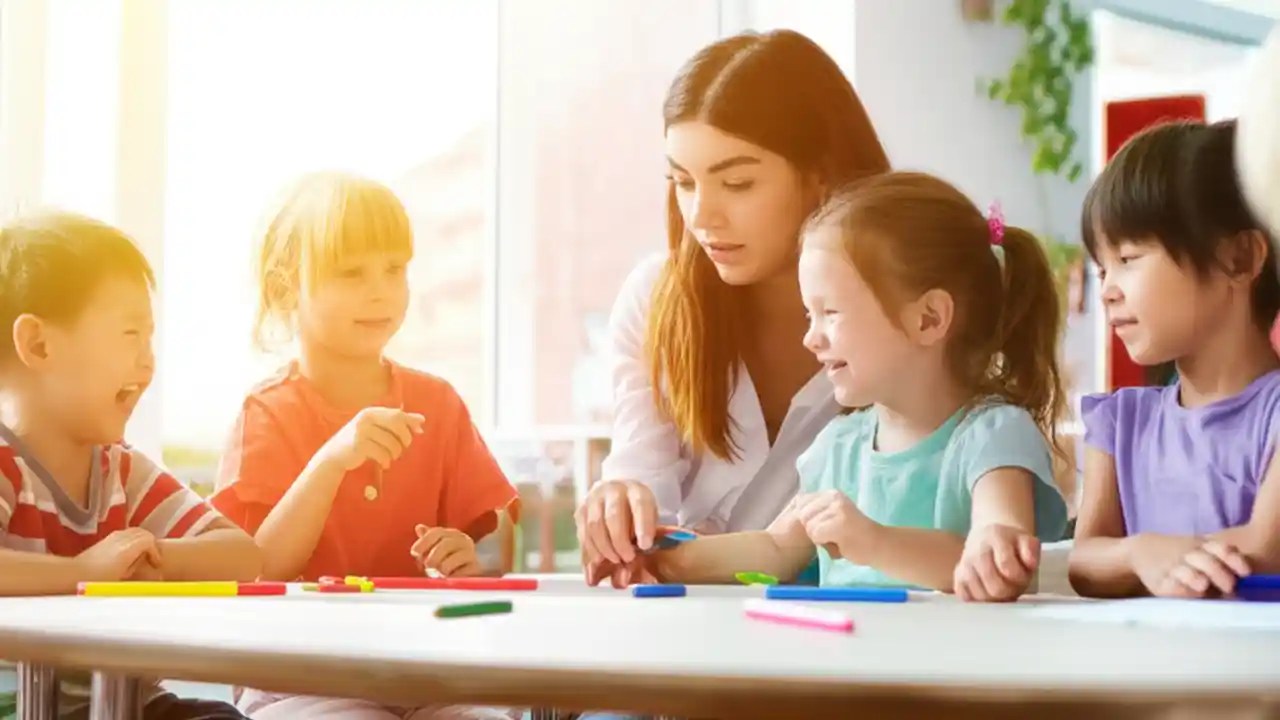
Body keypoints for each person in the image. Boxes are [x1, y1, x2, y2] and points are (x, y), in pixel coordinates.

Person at [588, 172, 1070, 600]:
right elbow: (775, 549)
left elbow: (998, 559)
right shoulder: (840, 446)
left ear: (928, 318)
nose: (810, 338)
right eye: (808, 314)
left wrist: (876, 541)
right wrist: (660, 559)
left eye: (831, 313)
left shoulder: (993, 437)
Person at [576, 29, 892, 579]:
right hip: (682, 630)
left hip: (846, 633)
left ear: (822, 176)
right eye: (683, 182)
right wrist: (619, 508)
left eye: (738, 183)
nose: (701, 217)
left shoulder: (901, 319)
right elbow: (642, 484)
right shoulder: (658, 301)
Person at [209, 172, 520, 720]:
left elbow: (498, 547)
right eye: (351, 273)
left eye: (394, 269)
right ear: (286, 289)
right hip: (297, 679)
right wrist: (329, 462)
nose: (380, 290)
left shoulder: (437, 403)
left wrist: (470, 561)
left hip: (428, 673)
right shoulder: (267, 413)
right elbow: (258, 571)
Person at [0, 211, 261, 719]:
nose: (148, 362)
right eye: (130, 334)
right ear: (38, 344)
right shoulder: (6, 465)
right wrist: (83, 572)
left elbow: (242, 555)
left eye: (150, 338)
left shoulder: (119, 471)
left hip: (127, 702)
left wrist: (155, 557)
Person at [1068, 120, 1280, 599]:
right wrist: (1139, 552)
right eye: (1102, 269)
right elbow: (1084, 561)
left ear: (1239, 259)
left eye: (1128, 258)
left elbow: (1264, 548)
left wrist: (1144, 558)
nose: (1107, 291)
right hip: (1142, 672)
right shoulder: (1121, 421)